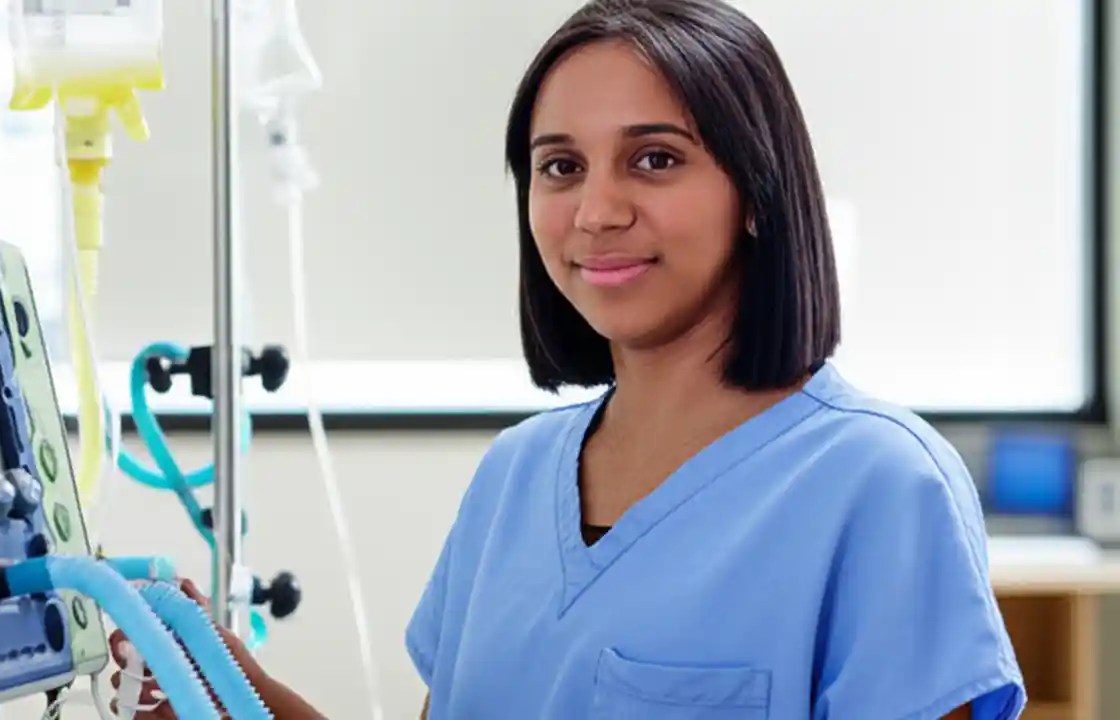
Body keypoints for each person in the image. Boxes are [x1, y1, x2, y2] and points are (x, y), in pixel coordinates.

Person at [110, 0, 1026, 717]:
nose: (597, 211)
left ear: (756, 190)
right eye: (560, 167)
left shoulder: (879, 487)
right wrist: (225, 686)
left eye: (656, 159)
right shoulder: (518, 475)